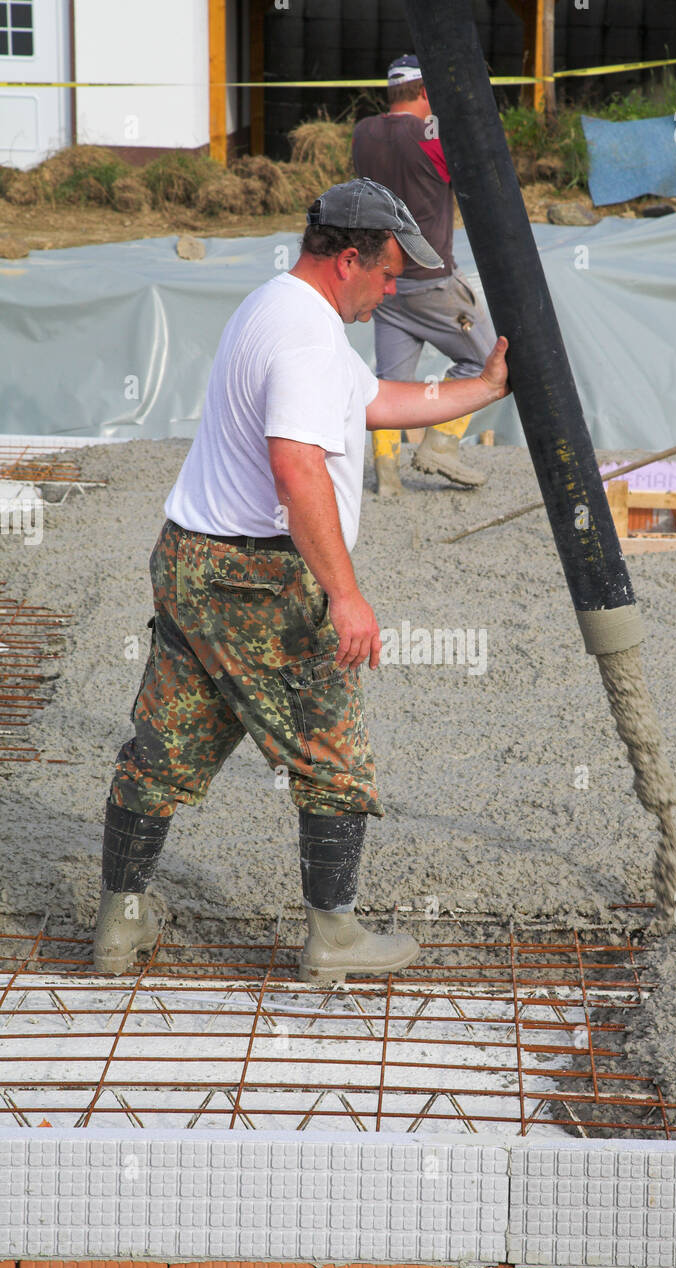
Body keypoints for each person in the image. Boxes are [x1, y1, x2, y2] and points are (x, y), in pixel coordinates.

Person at [92, 177, 509, 984]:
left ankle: (119, 925)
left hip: (191, 560)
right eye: (387, 274)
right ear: (348, 257)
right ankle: (335, 937)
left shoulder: (275, 305)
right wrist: (346, 595)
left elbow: (375, 399)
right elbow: (297, 463)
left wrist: (483, 389)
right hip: (261, 581)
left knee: (165, 746)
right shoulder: (312, 341)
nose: (392, 290)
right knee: (331, 755)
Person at [353, 53, 498, 497]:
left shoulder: (363, 133)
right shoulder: (435, 136)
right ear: (425, 92)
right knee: (490, 360)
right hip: (432, 283)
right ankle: (441, 444)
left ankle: (387, 472)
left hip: (383, 284)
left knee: (388, 386)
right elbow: (477, 178)